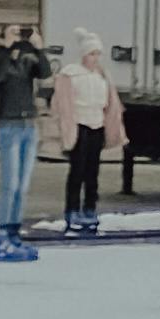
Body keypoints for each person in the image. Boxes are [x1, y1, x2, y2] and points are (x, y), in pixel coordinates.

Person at [0, 14, 56, 261]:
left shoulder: (27, 57)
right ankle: (2, 234)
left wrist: (39, 48)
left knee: (22, 186)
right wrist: (6, 48)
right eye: (12, 31)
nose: (17, 36)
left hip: (28, 125)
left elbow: (44, 72)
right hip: (9, 125)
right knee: (9, 184)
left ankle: (15, 233)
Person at [52, 30, 116, 241]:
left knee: (92, 171)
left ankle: (90, 208)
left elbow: (110, 103)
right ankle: (72, 209)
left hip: (96, 124)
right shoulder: (71, 74)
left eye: (98, 54)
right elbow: (62, 103)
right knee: (77, 170)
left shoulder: (102, 76)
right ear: (83, 55)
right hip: (79, 124)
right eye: (91, 54)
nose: (95, 58)